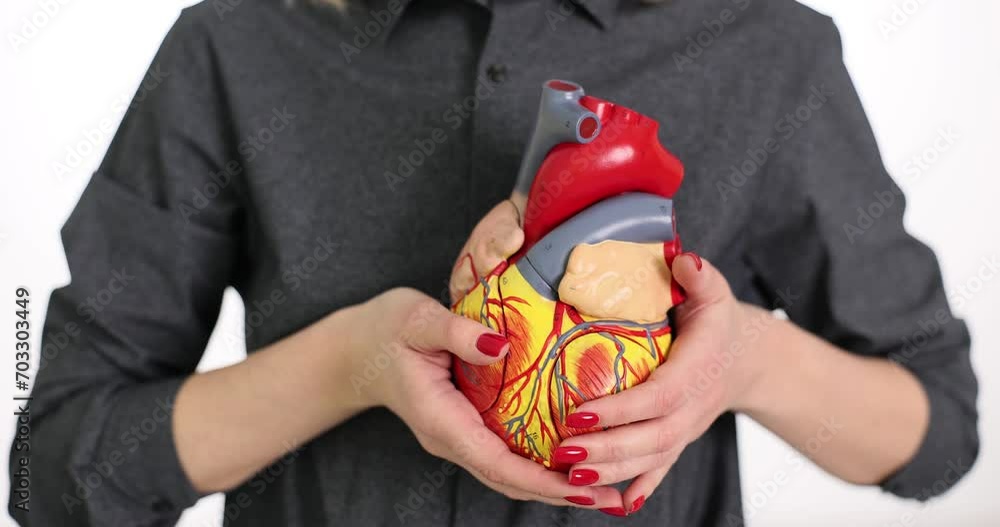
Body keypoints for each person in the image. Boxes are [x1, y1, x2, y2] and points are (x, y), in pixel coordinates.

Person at [11, 0, 978, 525]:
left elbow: (937, 433)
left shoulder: (766, 51)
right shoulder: (238, 43)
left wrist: (747, 362)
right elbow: (55, 472)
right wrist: (352, 365)